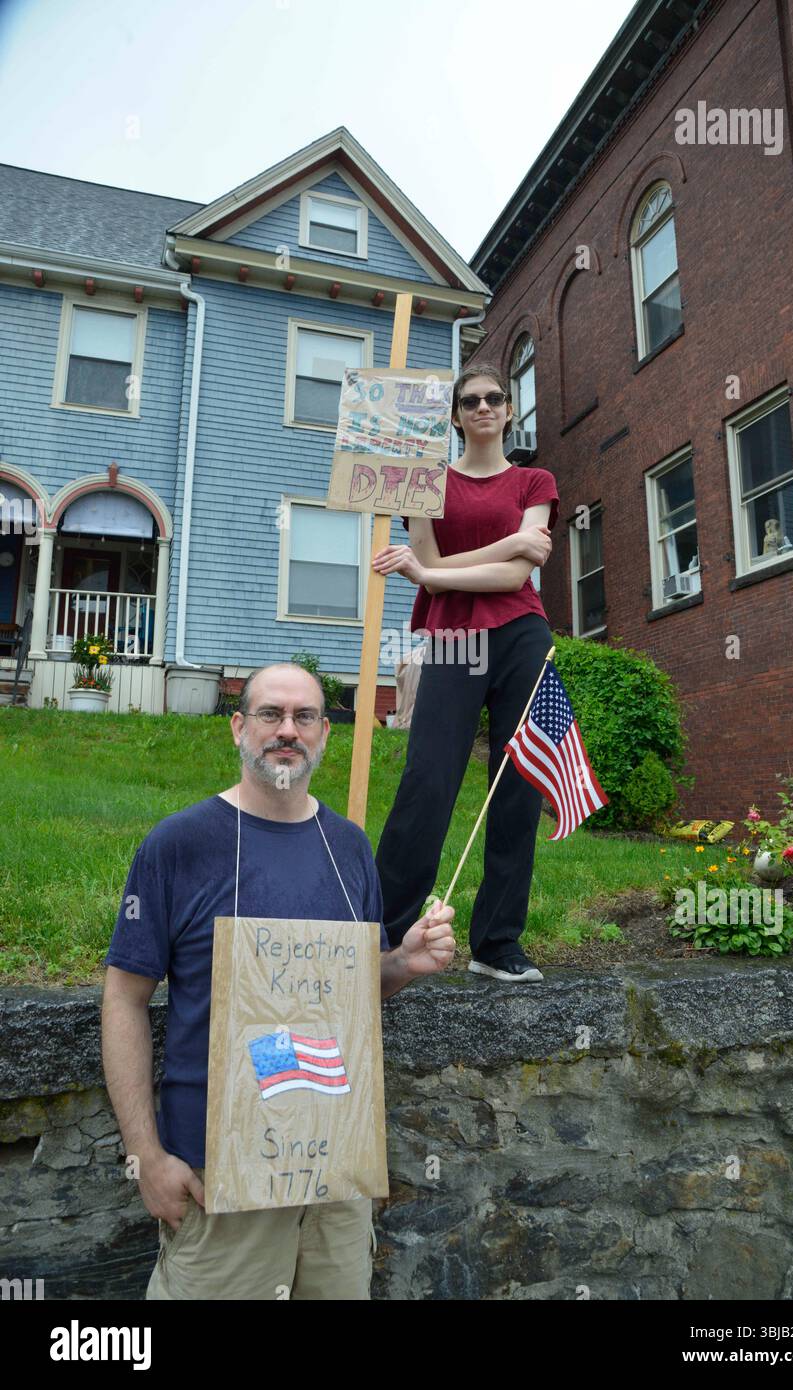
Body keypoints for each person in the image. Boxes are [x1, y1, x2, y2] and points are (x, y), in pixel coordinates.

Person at [101, 662, 455, 1301]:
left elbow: (349, 992)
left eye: (305, 716)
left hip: (334, 1172)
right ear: (239, 728)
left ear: (324, 734)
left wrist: (404, 962)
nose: (287, 729)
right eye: (270, 713)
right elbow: (124, 1000)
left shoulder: (350, 849)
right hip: (221, 1172)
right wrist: (145, 1157)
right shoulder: (178, 845)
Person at [371, 364, 559, 982]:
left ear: (508, 410)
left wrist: (432, 573)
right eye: (470, 400)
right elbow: (438, 569)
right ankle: (382, 931)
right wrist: (503, 547)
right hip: (455, 637)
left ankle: (497, 944)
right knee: (429, 777)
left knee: (518, 784)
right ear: (454, 415)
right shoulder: (422, 480)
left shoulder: (534, 480)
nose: (483, 407)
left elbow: (514, 574)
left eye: (494, 398)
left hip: (522, 634)